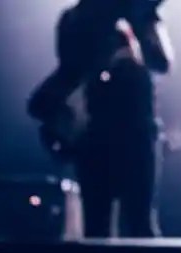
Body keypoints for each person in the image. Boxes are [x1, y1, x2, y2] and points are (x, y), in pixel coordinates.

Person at [52, 0, 174, 238]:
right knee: (99, 228)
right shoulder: (77, 17)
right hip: (98, 132)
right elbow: (68, 74)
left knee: (138, 225)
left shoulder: (137, 13)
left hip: (134, 131)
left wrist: (141, 24)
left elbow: (160, 62)